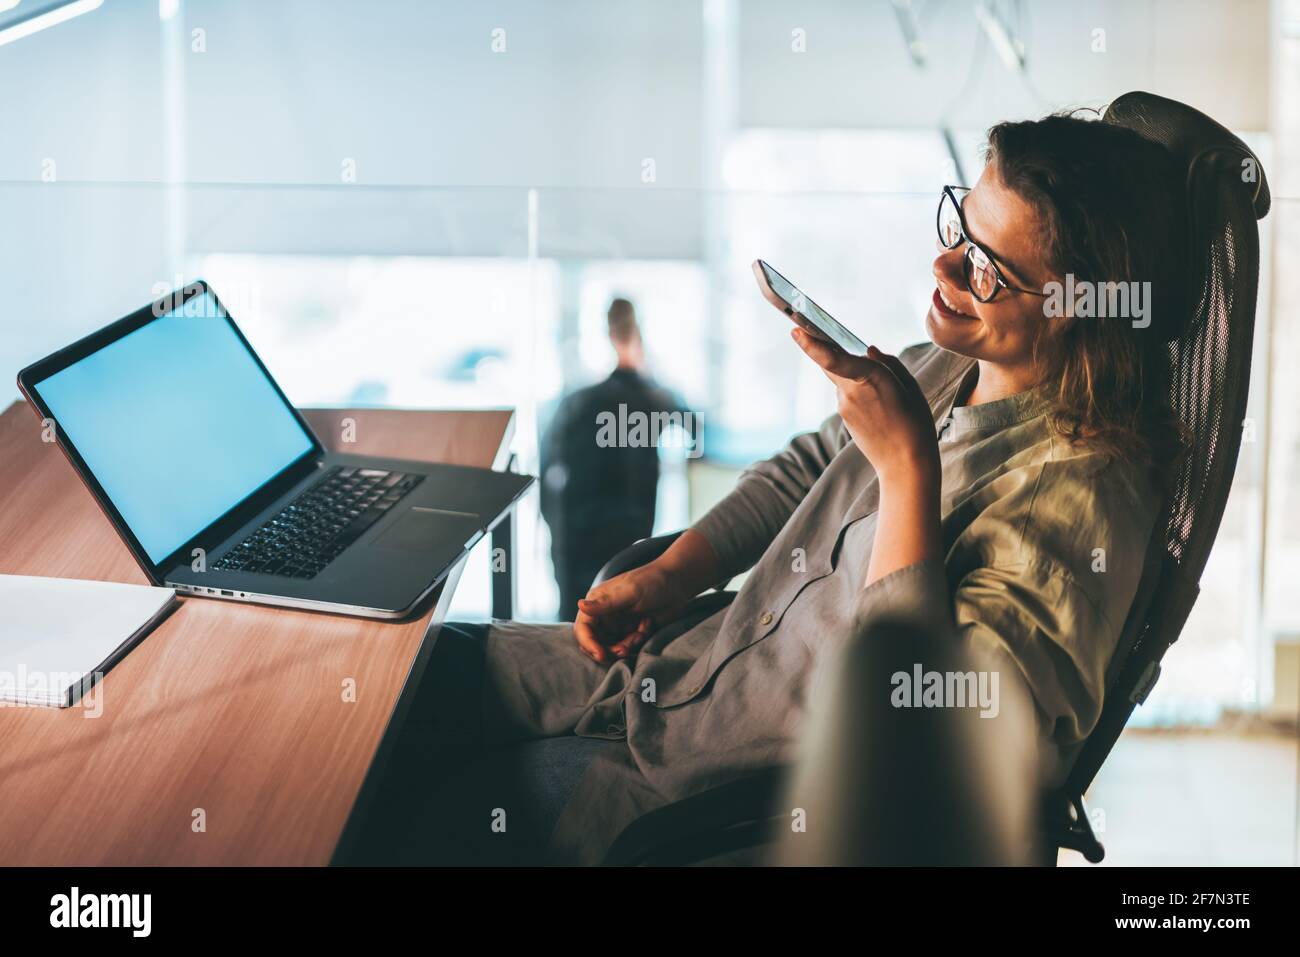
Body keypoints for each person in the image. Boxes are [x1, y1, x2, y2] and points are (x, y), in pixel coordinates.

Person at [380, 112, 1189, 866]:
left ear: (1083, 311)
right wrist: (672, 575)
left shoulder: (1081, 504)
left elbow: (929, 752)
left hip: (719, 788)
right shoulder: (945, 367)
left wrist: (908, 468)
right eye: (958, 226)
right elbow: (808, 468)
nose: (943, 266)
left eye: (985, 266)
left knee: (434, 817)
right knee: (415, 685)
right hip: (684, 666)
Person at [539, 298, 690, 620]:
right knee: (617, 620)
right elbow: (695, 430)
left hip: (576, 533)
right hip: (624, 534)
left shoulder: (577, 404)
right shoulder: (652, 399)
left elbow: (548, 479)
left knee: (575, 619)